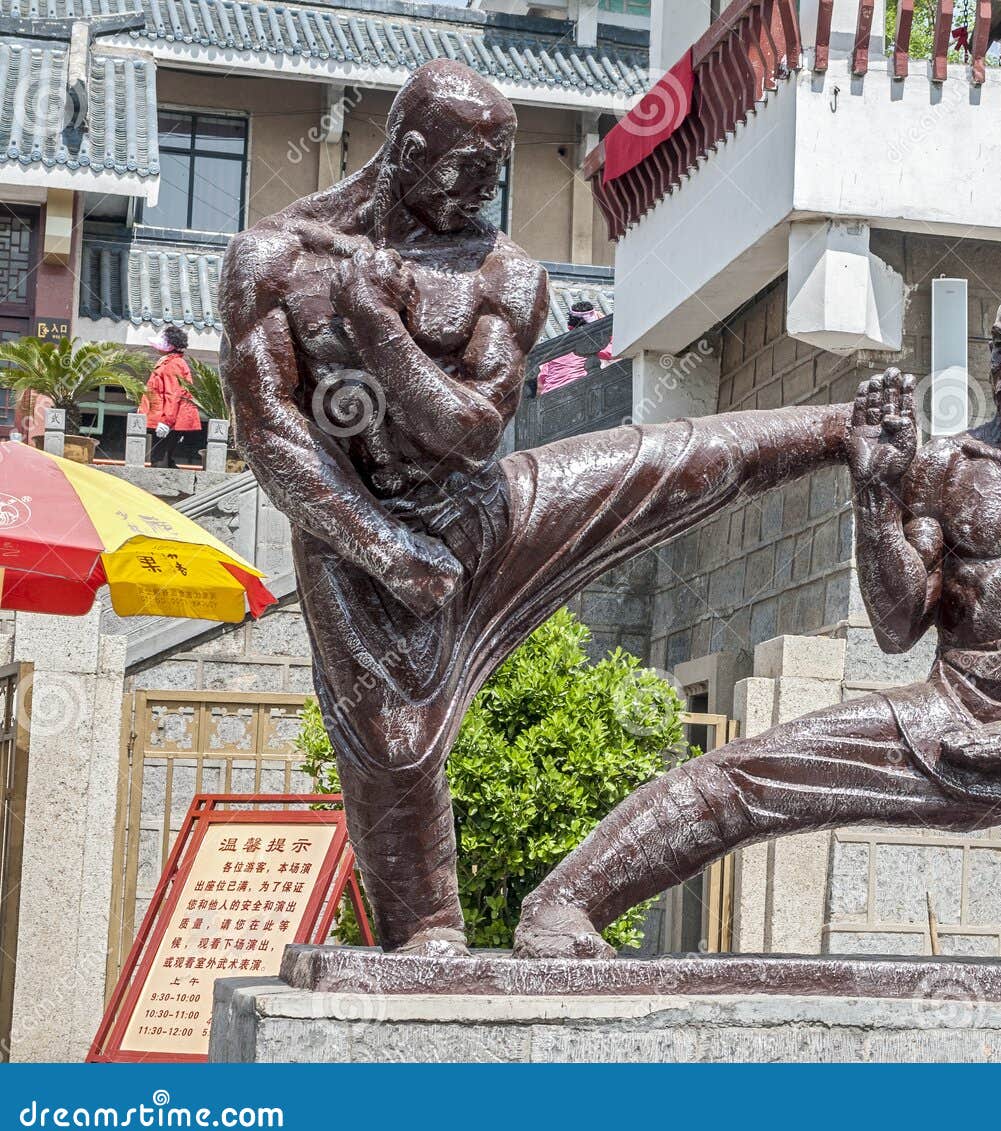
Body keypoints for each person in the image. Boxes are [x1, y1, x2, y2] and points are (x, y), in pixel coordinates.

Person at [222, 59, 852, 956]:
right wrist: (386, 549)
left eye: (499, 168)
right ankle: (428, 939)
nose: (486, 190)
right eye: (466, 168)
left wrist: (376, 324)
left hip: (482, 509)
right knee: (393, 746)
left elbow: (475, 429)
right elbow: (269, 433)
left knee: (645, 468)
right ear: (405, 153)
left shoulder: (503, 272)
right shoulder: (275, 259)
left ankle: (837, 428)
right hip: (357, 545)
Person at [517, 289, 1001, 973]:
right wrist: (875, 493)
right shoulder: (944, 466)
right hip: (949, 719)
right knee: (747, 773)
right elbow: (899, 624)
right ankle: (564, 903)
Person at [139, 325, 203, 467]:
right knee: (160, 457)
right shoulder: (171, 362)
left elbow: (173, 394)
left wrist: (166, 422)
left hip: (167, 419)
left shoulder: (173, 364)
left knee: (160, 459)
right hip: (165, 417)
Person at [534, 299, 613, 395]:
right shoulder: (590, 344)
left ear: (570, 325)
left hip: (548, 394)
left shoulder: (557, 346)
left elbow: (543, 377)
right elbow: (613, 352)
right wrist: (606, 330)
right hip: (576, 392)